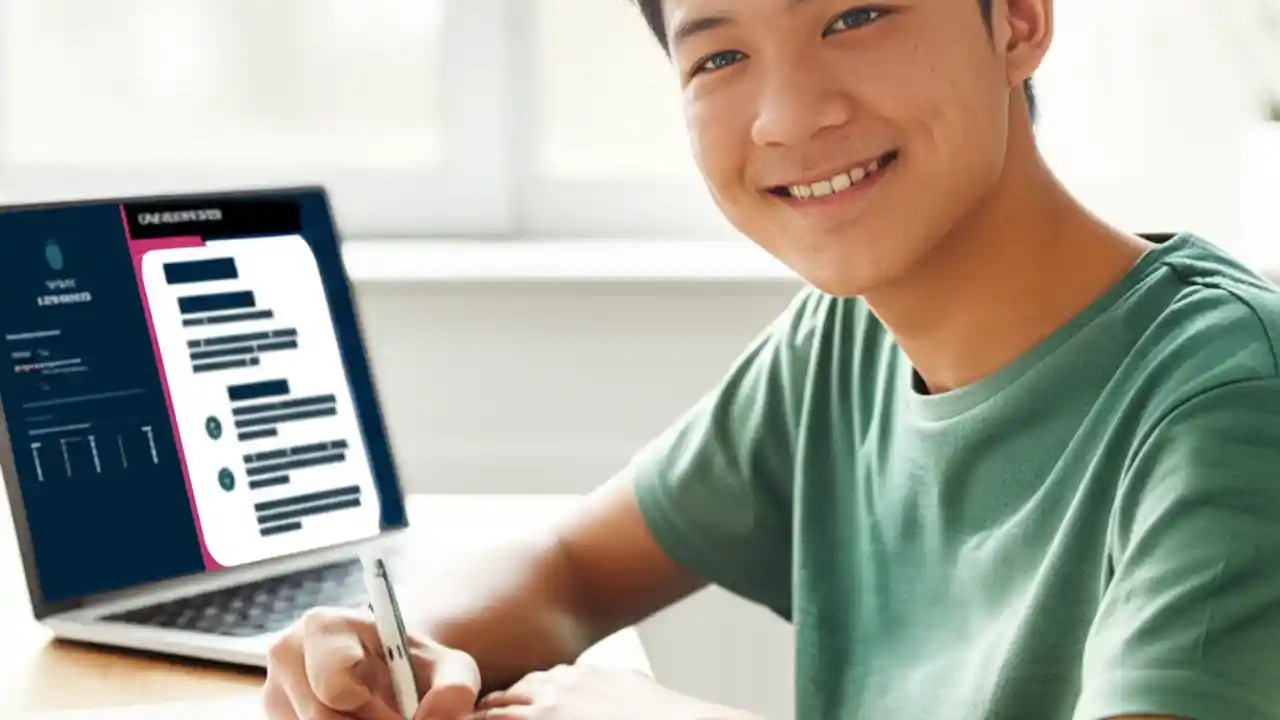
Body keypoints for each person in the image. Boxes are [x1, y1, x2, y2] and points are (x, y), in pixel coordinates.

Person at [263, 0, 1280, 717]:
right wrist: (391, 654)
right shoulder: (841, 343)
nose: (788, 116)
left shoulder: (1231, 402)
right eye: (717, 58)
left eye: (854, 16)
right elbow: (571, 570)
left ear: (1016, 19)